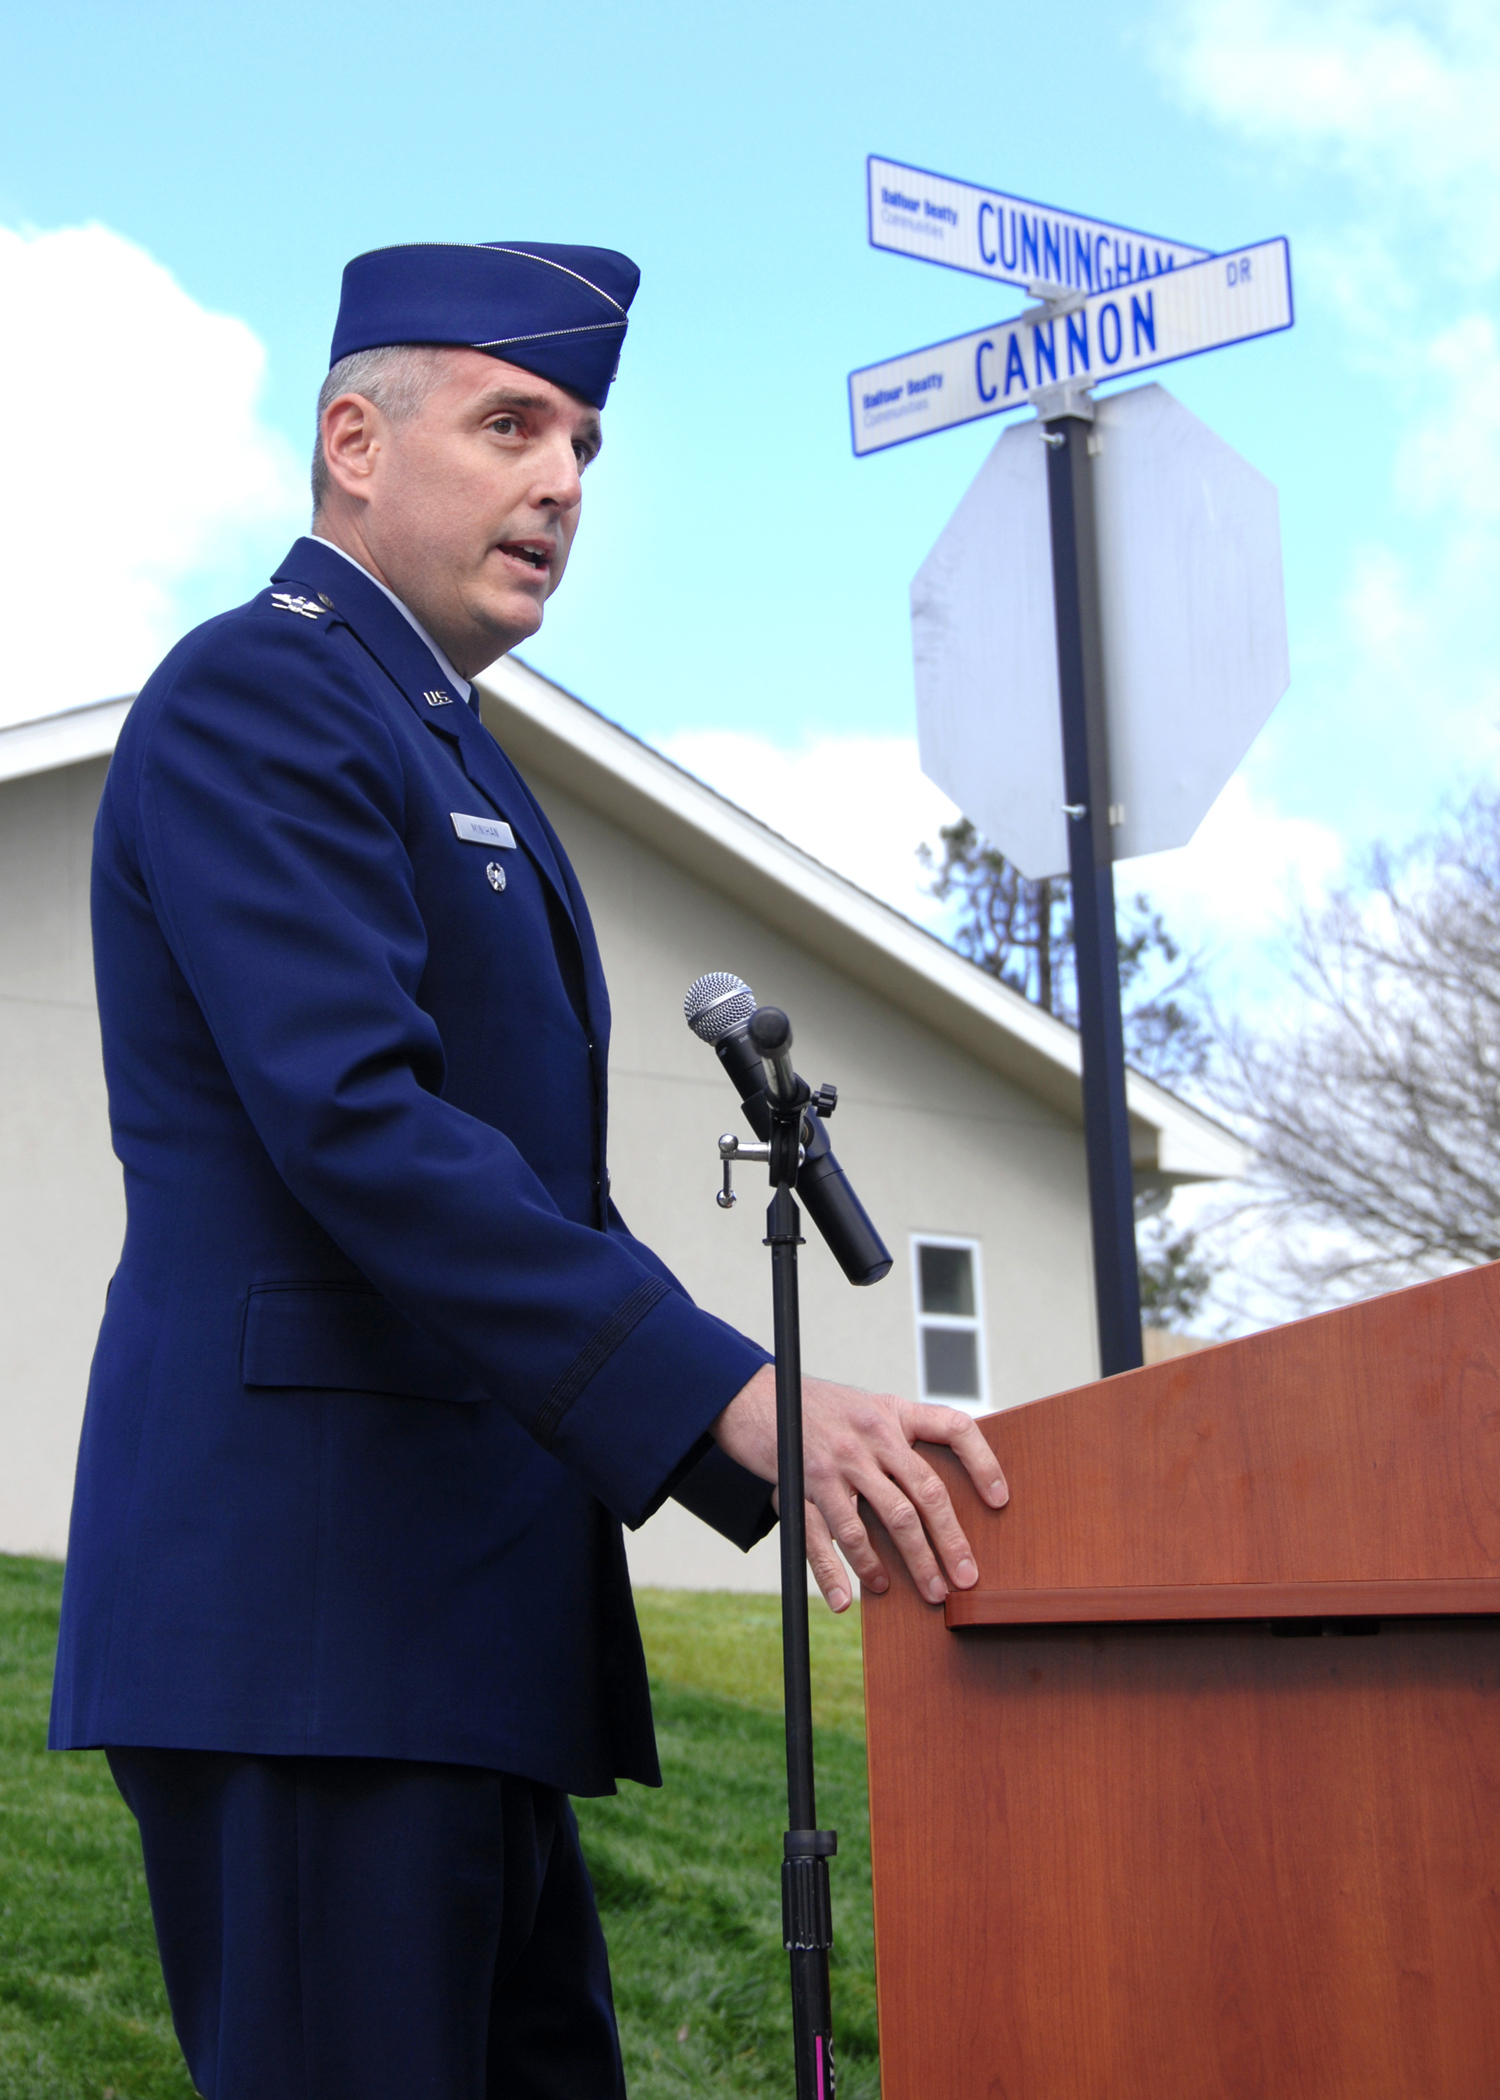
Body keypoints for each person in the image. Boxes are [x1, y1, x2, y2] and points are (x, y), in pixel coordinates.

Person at [49, 238, 1009, 2100]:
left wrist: (752, 1396)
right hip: (311, 1621)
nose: (565, 480)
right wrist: (727, 1402)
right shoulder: (263, 694)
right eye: (511, 423)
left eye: (583, 442)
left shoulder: (446, 749)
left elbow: (531, 1191)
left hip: (445, 1627)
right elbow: (361, 1126)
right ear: (351, 438)